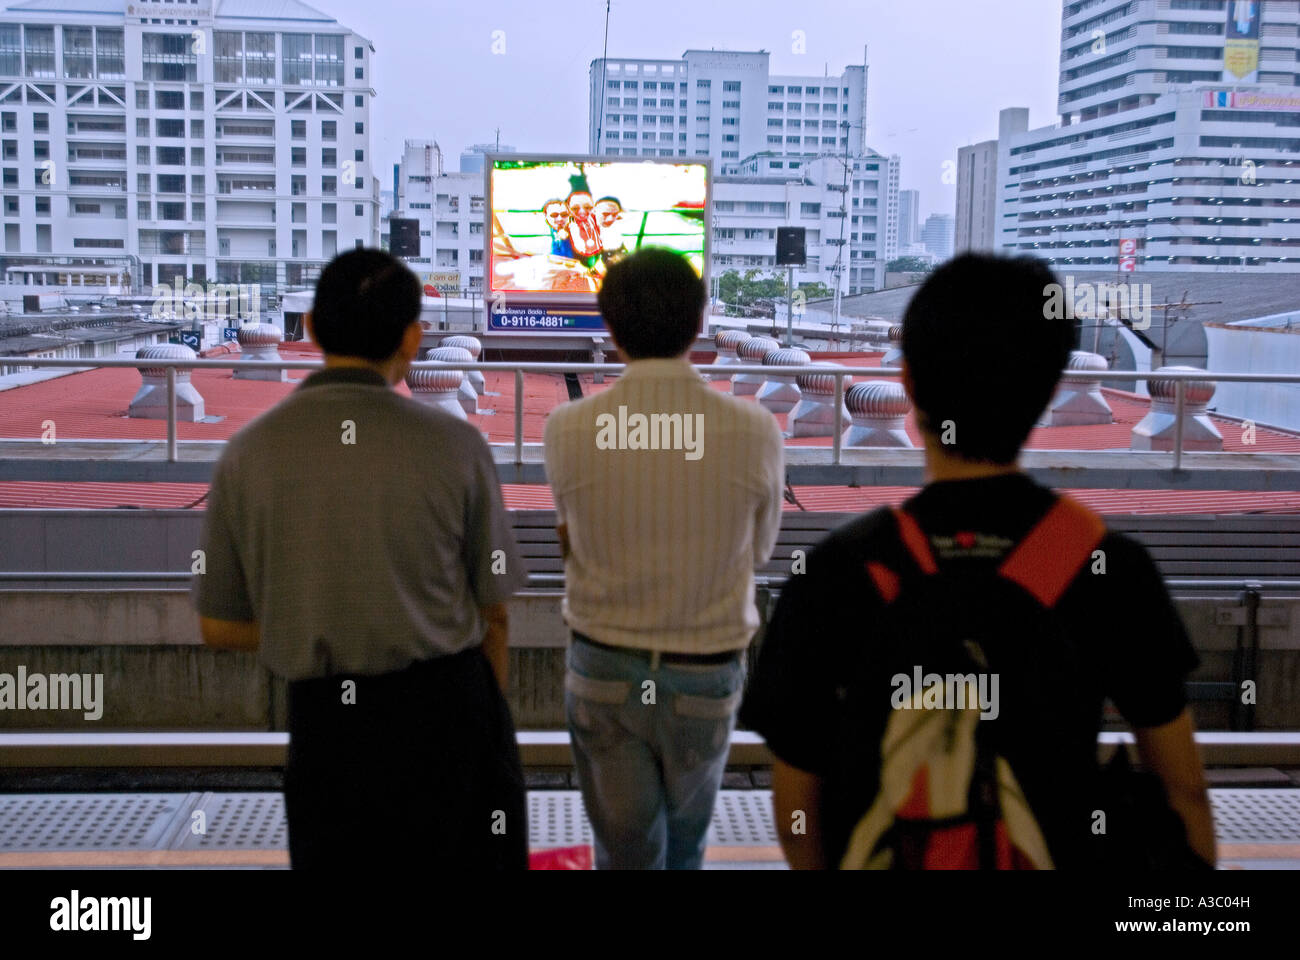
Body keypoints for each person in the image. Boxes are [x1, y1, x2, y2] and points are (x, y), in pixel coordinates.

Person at [741, 253, 1215, 870]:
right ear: (1054, 387)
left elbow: (797, 811)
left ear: (907, 383)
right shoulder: (1110, 568)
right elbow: (1184, 792)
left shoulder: (838, 570)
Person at [192, 249, 529, 871]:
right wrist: (486, 721)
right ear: (413, 337)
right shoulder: (455, 445)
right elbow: (496, 613)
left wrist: (319, 619)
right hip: (449, 714)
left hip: (327, 730)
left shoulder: (248, 452)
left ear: (312, 328)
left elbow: (219, 625)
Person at [544, 247, 785, 869]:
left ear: (610, 326)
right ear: (699, 320)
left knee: (623, 854)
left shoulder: (567, 427)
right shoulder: (756, 429)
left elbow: (571, 542)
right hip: (705, 674)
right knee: (685, 849)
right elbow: (759, 551)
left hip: (602, 668)